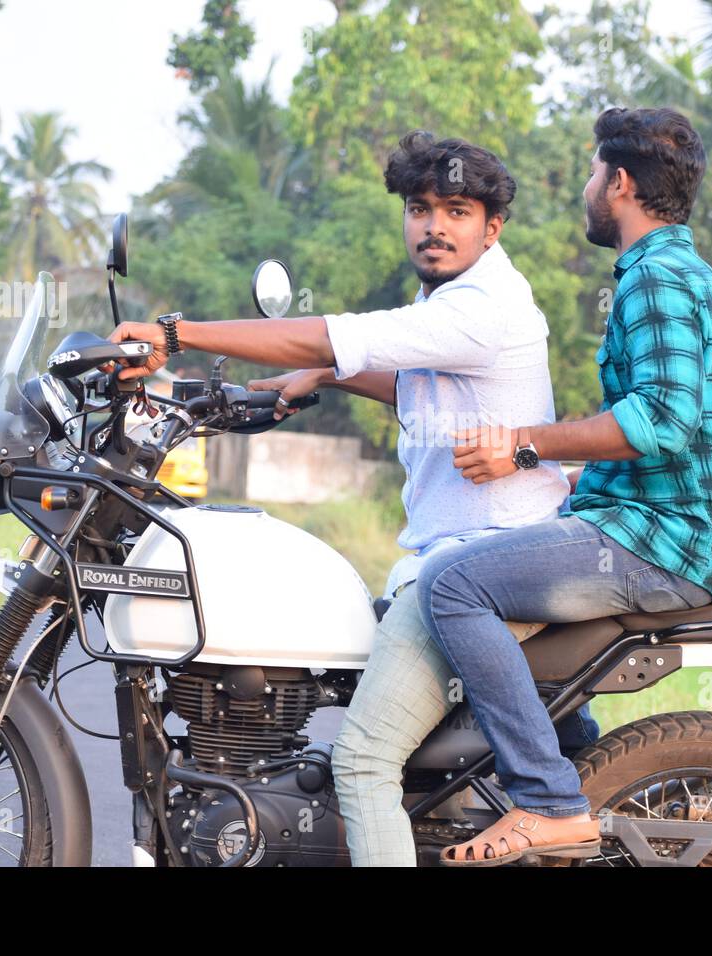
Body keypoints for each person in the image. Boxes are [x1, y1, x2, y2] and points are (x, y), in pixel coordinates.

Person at [104, 130, 600, 866]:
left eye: (456, 211)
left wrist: (176, 334)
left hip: (477, 569)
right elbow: (413, 381)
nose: (433, 226)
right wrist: (330, 377)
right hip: (460, 557)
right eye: (419, 208)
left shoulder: (481, 305)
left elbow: (337, 333)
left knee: (363, 761)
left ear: (491, 227)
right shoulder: (455, 297)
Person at [413, 106, 712, 865]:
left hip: (663, 542)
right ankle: (579, 774)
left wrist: (523, 446)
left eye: (592, 174)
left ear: (622, 183)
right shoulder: (701, 280)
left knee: (452, 585)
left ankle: (547, 799)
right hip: (680, 524)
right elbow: (696, 430)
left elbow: (660, 419)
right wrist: (577, 472)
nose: (585, 188)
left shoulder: (654, 281)